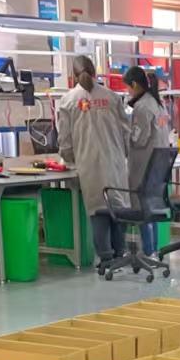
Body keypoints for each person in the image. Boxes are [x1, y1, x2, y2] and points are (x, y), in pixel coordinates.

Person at [56, 54, 128, 272]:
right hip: (115, 161)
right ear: (95, 73)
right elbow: (126, 131)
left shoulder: (68, 101)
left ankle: (105, 258)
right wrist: (123, 154)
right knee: (118, 208)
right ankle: (120, 254)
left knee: (99, 212)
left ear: (73, 76)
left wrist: (69, 160)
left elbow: (65, 140)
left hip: (88, 164)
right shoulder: (112, 97)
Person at [123, 65, 173, 257]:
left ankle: (147, 251)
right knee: (152, 208)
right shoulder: (158, 104)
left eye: (128, 87)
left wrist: (124, 132)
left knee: (142, 209)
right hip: (157, 167)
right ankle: (153, 250)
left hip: (143, 166)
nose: (128, 92)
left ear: (135, 85)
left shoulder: (142, 107)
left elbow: (138, 139)